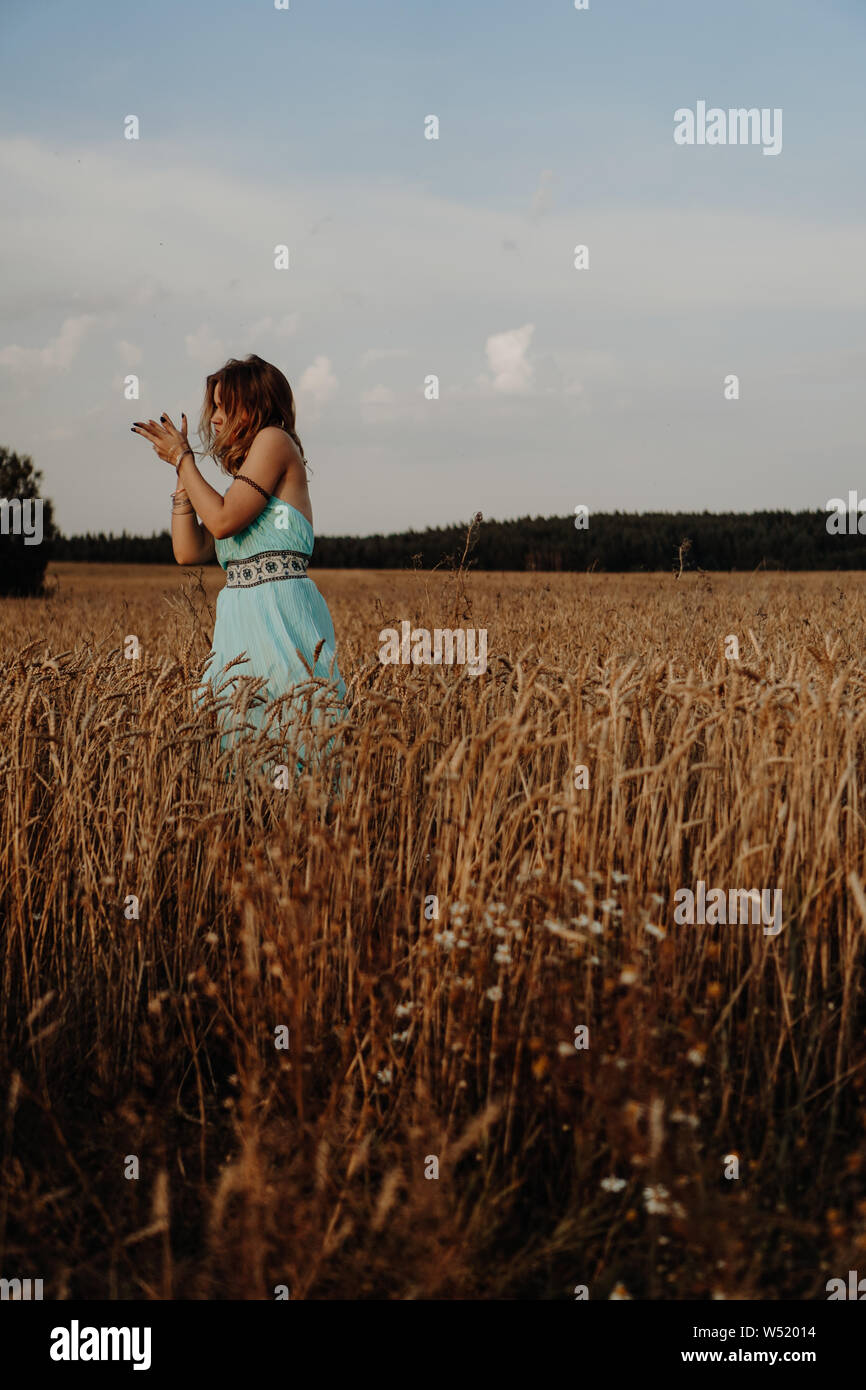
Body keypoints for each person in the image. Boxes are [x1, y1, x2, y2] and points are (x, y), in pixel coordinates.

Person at [131, 354, 348, 781]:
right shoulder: (243, 477)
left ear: (254, 404)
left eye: (223, 405)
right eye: (212, 406)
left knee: (294, 735)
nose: (213, 418)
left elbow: (224, 519)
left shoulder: (275, 440)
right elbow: (188, 551)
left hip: (280, 616)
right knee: (242, 743)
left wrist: (183, 461)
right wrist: (182, 472)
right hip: (241, 620)